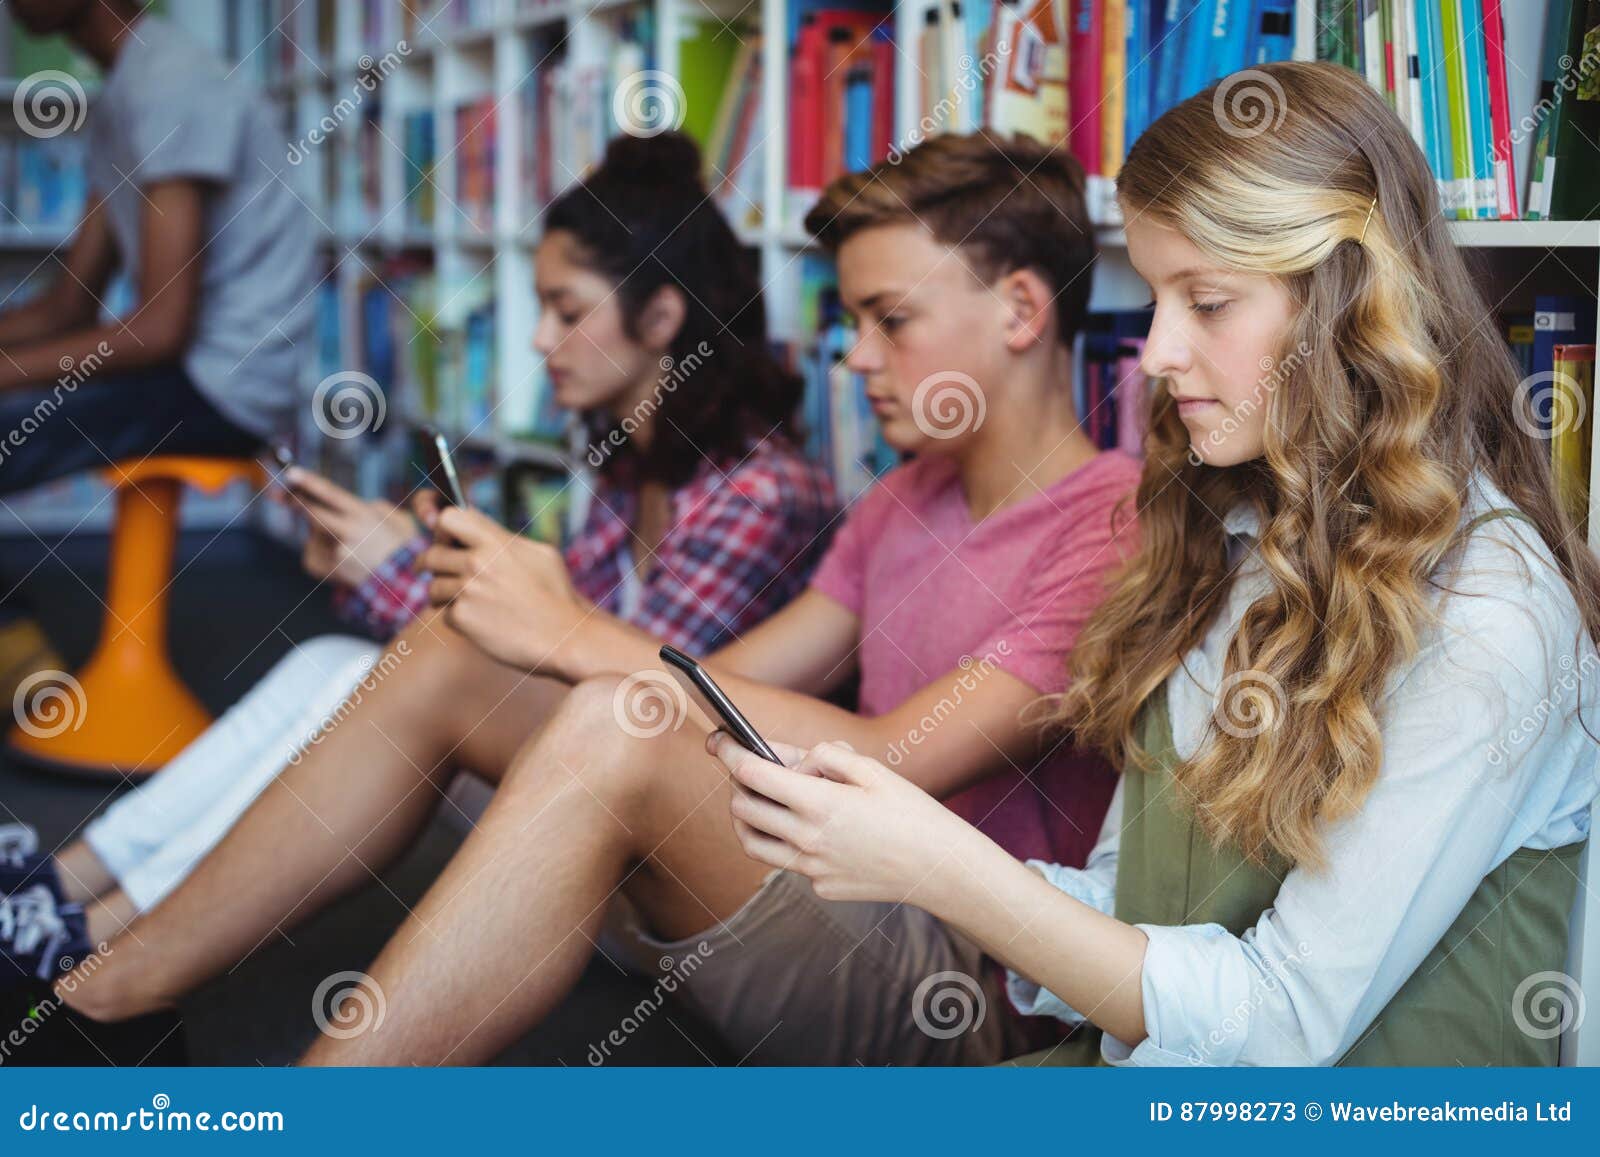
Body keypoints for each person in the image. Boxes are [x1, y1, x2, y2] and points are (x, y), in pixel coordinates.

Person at [50, 131, 1143, 1066]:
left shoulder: (1114, 525)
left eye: (887, 318)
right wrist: (538, 636)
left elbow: (890, 756)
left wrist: (575, 631)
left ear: (1018, 309)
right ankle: (107, 994)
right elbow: (748, 688)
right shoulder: (901, 498)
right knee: (455, 655)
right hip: (823, 876)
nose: (853, 357)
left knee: (622, 715)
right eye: (850, 319)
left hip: (962, 966)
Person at [707, 61, 1600, 1067]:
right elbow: (1130, 904)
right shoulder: (1226, 541)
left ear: (1344, 305)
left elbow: (1278, 1026)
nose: (1157, 350)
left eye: (1206, 302)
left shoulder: (1490, 612)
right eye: (1153, 294)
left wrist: (946, 870)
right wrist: (907, 851)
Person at [0, 131, 836, 997]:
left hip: (668, 844)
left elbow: (617, 696)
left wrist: (390, 569)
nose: (540, 339)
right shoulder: (634, 467)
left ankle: (91, 942)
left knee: (350, 675)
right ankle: (70, 896)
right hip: (584, 788)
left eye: (566, 309)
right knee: (334, 664)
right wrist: (409, 558)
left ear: (661, 320)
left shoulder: (758, 496)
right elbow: (538, 654)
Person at [0, 0, 314, 698]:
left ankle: (17, 656)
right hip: (185, 369)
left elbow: (159, 328)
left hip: (223, 385)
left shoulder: (171, 82)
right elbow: (66, 305)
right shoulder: (126, 91)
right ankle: (20, 652)